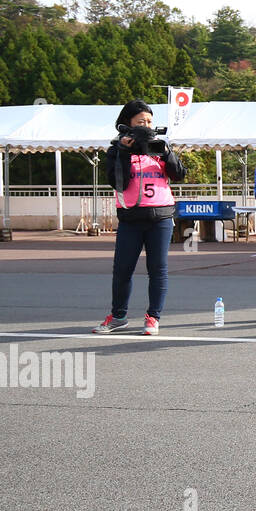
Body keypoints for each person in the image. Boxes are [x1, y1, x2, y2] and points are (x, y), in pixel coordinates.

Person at [93, 101, 186, 336]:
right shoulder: (116, 150)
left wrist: (167, 153)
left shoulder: (160, 147)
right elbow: (118, 182)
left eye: (150, 122)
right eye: (141, 122)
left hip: (161, 216)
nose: (146, 126)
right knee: (123, 268)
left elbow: (179, 175)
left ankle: (153, 317)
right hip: (131, 218)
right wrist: (124, 152)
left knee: (158, 269)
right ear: (127, 124)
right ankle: (118, 316)